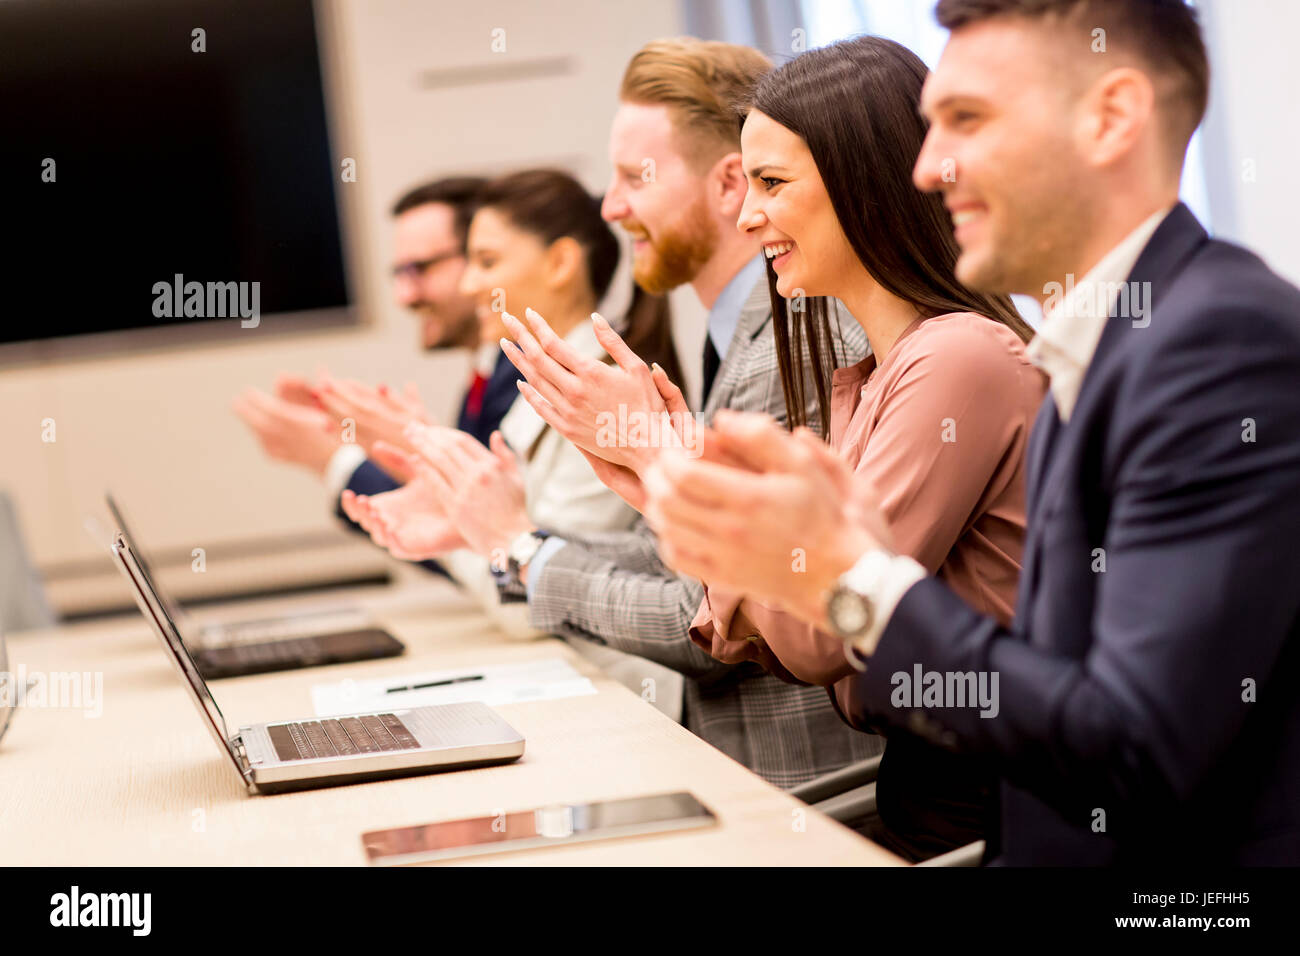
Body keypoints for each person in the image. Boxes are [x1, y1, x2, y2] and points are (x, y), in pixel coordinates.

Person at [647, 0, 1300, 865]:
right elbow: (1049, 697)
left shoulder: (1215, 348)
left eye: (967, 120)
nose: (925, 170)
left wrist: (856, 583)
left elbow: (1134, 747)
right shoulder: (1105, 348)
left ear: (1111, 118)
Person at [616, 35, 1041, 860]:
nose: (747, 215)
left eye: (773, 183)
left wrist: (670, 478)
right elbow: (793, 631)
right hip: (926, 797)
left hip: (980, 818)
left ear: (864, 180)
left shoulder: (958, 359)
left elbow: (814, 638)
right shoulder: (875, 375)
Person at [484, 38, 882, 790]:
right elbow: (669, 558)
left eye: (636, 176)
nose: (611, 206)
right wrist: (511, 539)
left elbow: (709, 623)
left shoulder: (802, 340)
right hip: (738, 772)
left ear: (732, 184)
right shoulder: (740, 337)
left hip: (808, 796)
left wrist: (526, 553)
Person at [341, 168, 686, 714]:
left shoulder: (600, 402)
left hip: (632, 711)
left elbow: (531, 605)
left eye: (487, 262)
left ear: (560, 263)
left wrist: (466, 524)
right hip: (584, 693)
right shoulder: (546, 394)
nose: (471, 284)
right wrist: (462, 523)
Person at [233, 176, 523, 526]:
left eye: (420, 269)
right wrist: (364, 444)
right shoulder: (487, 374)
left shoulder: (524, 375)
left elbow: (491, 538)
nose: (404, 296)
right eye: (399, 273)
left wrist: (333, 458)